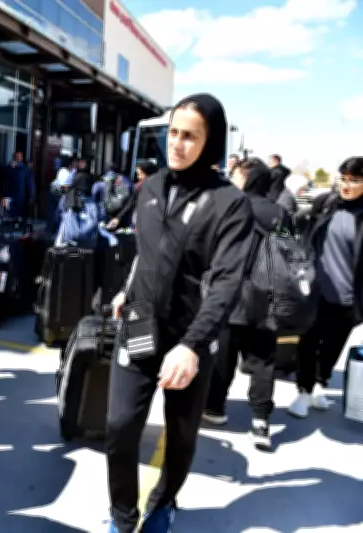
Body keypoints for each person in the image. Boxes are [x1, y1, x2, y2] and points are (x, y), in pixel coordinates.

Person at [105, 94, 253, 533]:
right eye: (173, 132)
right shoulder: (149, 187)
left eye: (190, 136)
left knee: (182, 435)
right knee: (118, 427)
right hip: (138, 328)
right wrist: (125, 290)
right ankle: (122, 516)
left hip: (190, 340)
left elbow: (227, 282)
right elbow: (146, 252)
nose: (178, 143)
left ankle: (165, 502)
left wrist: (191, 345)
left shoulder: (229, 203)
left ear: (210, 143)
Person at [203, 157, 292, 451]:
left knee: (222, 358)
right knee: (262, 362)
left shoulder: (229, 206)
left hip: (229, 298)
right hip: (266, 299)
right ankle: (261, 422)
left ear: (248, 179)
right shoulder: (280, 212)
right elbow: (289, 253)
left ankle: (214, 410)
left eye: (236, 175)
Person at [288, 156, 363, 418]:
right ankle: (304, 391)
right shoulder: (325, 203)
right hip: (315, 291)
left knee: (332, 347)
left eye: (354, 181)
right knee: (307, 343)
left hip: (348, 299)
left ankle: (320, 384)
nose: (347, 185)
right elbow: (300, 230)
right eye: (343, 178)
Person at [107, 161, 159, 230]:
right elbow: (131, 202)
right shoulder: (139, 187)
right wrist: (118, 218)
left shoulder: (157, 189)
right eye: (137, 174)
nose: (138, 177)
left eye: (140, 174)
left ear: (149, 174)